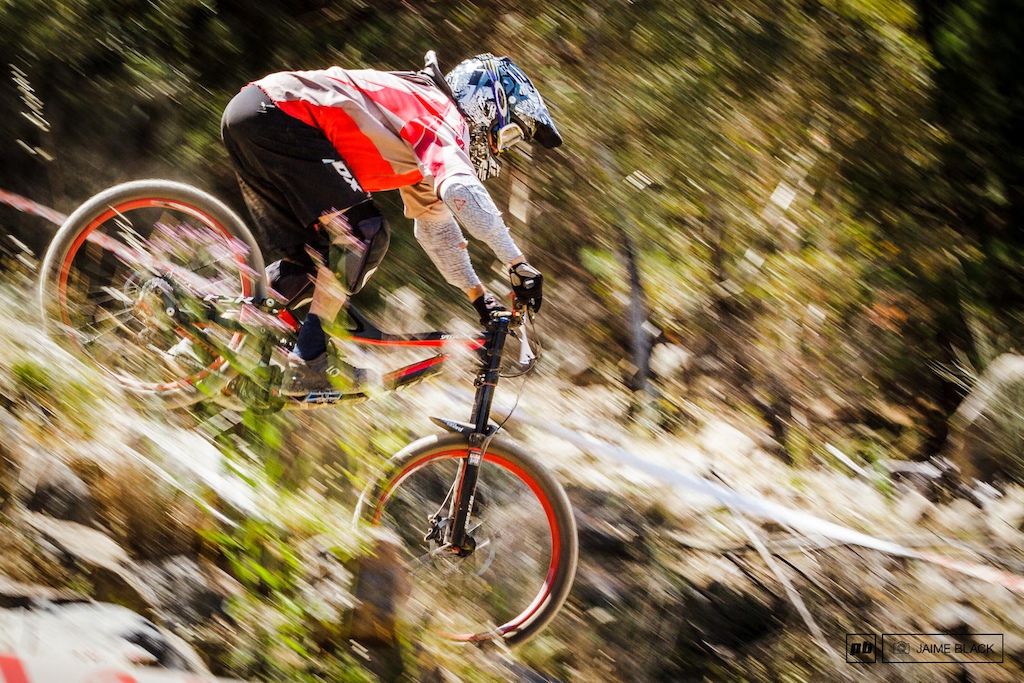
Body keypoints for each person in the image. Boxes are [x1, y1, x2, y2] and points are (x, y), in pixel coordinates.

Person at [220, 52, 559, 395]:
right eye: (510, 135)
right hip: (281, 115)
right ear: (488, 103)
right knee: (363, 234)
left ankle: (217, 339)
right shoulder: (443, 115)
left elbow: (437, 231)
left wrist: (479, 297)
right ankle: (309, 361)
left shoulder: (423, 129)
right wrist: (517, 264)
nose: (501, 148)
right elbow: (462, 192)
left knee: (314, 264)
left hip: (254, 113)